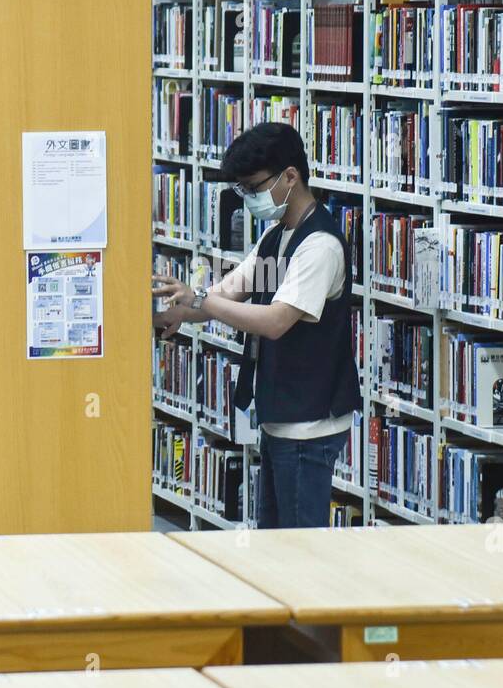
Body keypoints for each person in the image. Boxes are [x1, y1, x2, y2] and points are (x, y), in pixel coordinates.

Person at [152, 122, 359, 528]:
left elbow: (277, 320)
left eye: (253, 187)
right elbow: (228, 295)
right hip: (280, 416)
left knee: (298, 550)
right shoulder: (276, 237)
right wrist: (173, 312)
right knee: (274, 545)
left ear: (290, 176)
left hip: (310, 423)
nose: (249, 198)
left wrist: (199, 300)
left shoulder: (320, 246)